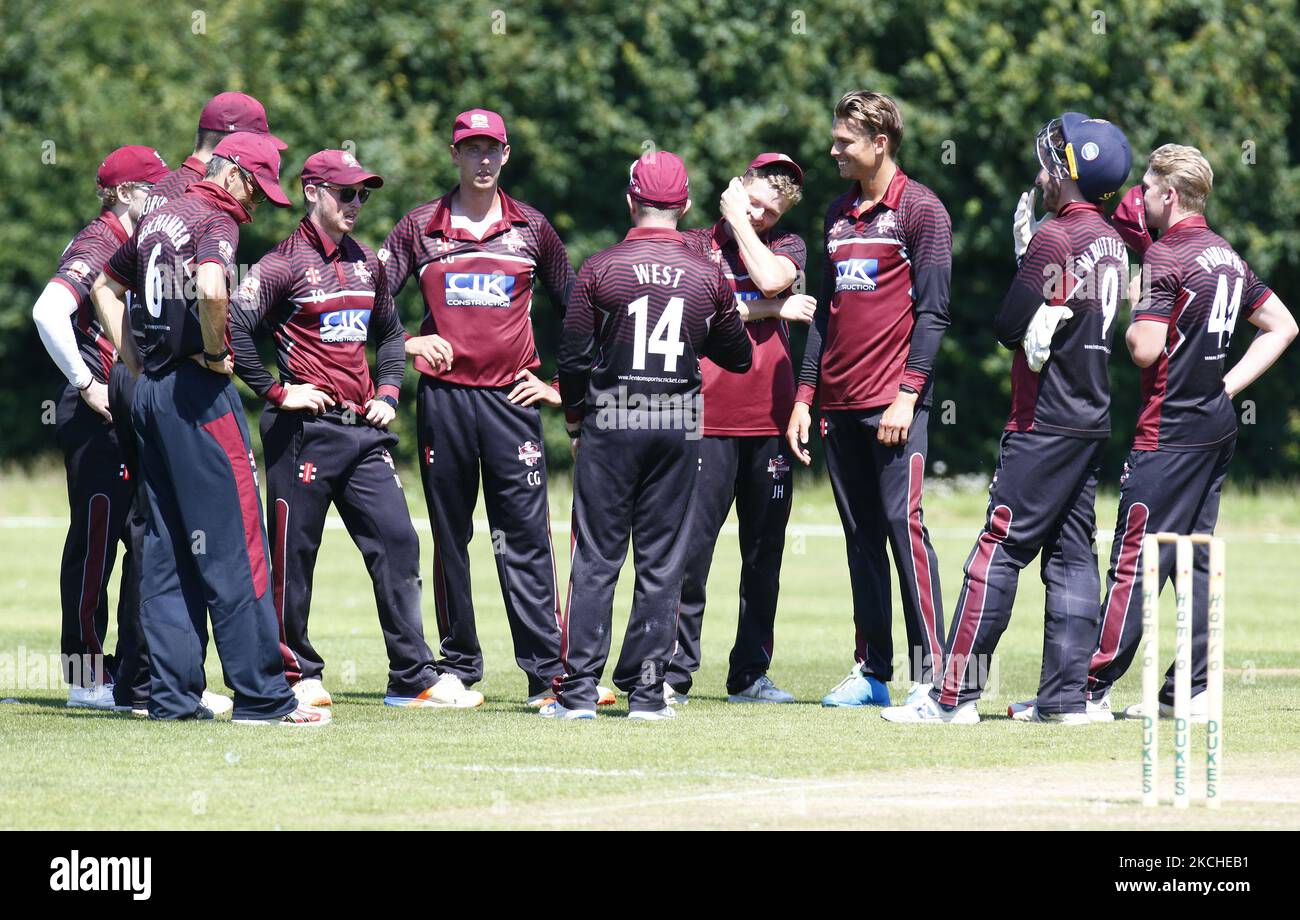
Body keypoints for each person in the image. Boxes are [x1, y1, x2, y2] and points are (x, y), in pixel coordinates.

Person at [882, 113, 1131, 725]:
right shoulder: (1113, 239)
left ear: (1071, 174)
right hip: (1090, 413)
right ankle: (1067, 700)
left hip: (1043, 418)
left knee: (996, 549)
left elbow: (1006, 327)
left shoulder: (1056, 235)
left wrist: (1029, 262)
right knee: (1072, 556)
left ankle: (953, 696)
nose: (1043, 172)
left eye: (1052, 163)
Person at [90, 132, 326, 725]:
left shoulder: (159, 211)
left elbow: (103, 284)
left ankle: (171, 697)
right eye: (255, 189)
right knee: (236, 547)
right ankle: (263, 698)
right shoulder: (214, 217)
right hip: (197, 394)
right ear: (232, 173)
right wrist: (219, 353)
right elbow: (215, 286)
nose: (254, 205)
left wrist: (134, 357)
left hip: (150, 396)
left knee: (167, 550)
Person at [380, 108, 612, 708]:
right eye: (471, 149)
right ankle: (457, 665)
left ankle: (547, 675)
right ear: (454, 155)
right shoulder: (419, 228)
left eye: (492, 150)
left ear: (505, 155)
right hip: (445, 401)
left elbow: (582, 309)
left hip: (513, 403)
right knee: (450, 536)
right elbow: (367, 302)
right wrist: (406, 342)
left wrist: (562, 385)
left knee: (526, 537)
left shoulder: (533, 228)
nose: (482, 160)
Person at [230, 149, 457, 709]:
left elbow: (393, 335)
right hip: (302, 431)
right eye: (345, 193)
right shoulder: (282, 263)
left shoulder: (367, 263)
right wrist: (278, 391)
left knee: (398, 540)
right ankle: (293, 673)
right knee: (293, 557)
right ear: (312, 191)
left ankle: (412, 677)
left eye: (363, 195)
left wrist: (386, 392)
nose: (356, 204)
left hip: (361, 432)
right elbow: (233, 324)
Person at [1077, 144, 1296, 720]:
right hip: (1214, 425)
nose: (1141, 196)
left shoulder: (1166, 258)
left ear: (1168, 195)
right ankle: (1191, 691)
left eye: (1148, 187)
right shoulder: (1224, 254)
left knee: (1137, 557)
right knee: (1195, 559)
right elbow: (1282, 325)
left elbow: (1143, 348)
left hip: (1168, 429)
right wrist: (1227, 387)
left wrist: (1131, 297)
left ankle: (1090, 688)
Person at [549, 150, 752, 720]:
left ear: (631, 200)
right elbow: (736, 356)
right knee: (662, 561)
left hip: (612, 416)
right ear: (684, 204)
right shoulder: (706, 272)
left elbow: (572, 358)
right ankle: (645, 694)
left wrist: (574, 418)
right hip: (676, 423)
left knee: (595, 558)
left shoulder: (600, 267)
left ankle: (580, 694)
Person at [787, 90, 951, 707]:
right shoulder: (836, 212)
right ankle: (874, 672)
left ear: (879, 143)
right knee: (860, 537)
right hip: (839, 407)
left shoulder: (922, 211)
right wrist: (806, 397)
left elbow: (935, 314)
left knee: (902, 528)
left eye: (844, 141)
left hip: (893, 405)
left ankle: (936, 676)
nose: (833, 149)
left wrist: (907, 395)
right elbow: (825, 317)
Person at [663, 153, 813, 705]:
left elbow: (772, 275)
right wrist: (768, 310)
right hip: (703, 421)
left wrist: (747, 229)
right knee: (691, 555)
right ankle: (673, 675)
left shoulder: (788, 246)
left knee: (764, 555)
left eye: (769, 213)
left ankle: (749, 675)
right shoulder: (690, 246)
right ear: (735, 187)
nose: (760, 216)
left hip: (769, 423)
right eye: (752, 202)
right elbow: (687, 313)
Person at [32, 145, 167, 709]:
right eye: (150, 186)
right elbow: (47, 310)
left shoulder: (136, 239)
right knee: (96, 544)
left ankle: (132, 672)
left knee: (140, 542)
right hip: (96, 412)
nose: (161, 196)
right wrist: (87, 385)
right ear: (120, 192)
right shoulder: (101, 239)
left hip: (127, 407)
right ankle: (87, 674)